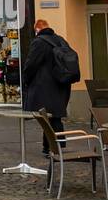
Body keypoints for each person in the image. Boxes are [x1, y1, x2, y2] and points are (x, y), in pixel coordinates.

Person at [23, 18, 80, 154]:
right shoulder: (60, 40)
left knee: (49, 117)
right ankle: (49, 146)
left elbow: (31, 64)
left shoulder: (39, 42)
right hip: (62, 84)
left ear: (37, 30)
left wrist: (26, 80)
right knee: (53, 116)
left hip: (45, 86)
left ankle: (55, 147)